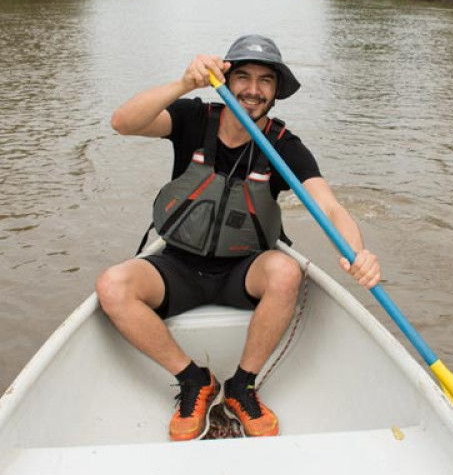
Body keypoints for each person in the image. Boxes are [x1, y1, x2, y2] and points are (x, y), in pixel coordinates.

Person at [98, 34, 381, 441]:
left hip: (244, 272)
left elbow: (330, 207)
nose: (253, 89)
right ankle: (194, 379)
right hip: (177, 265)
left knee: (286, 272)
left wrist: (359, 252)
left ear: (276, 91)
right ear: (226, 81)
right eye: (243, 76)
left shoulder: (284, 147)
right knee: (112, 285)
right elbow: (123, 122)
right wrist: (184, 84)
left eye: (266, 80)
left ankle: (241, 386)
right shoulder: (194, 118)